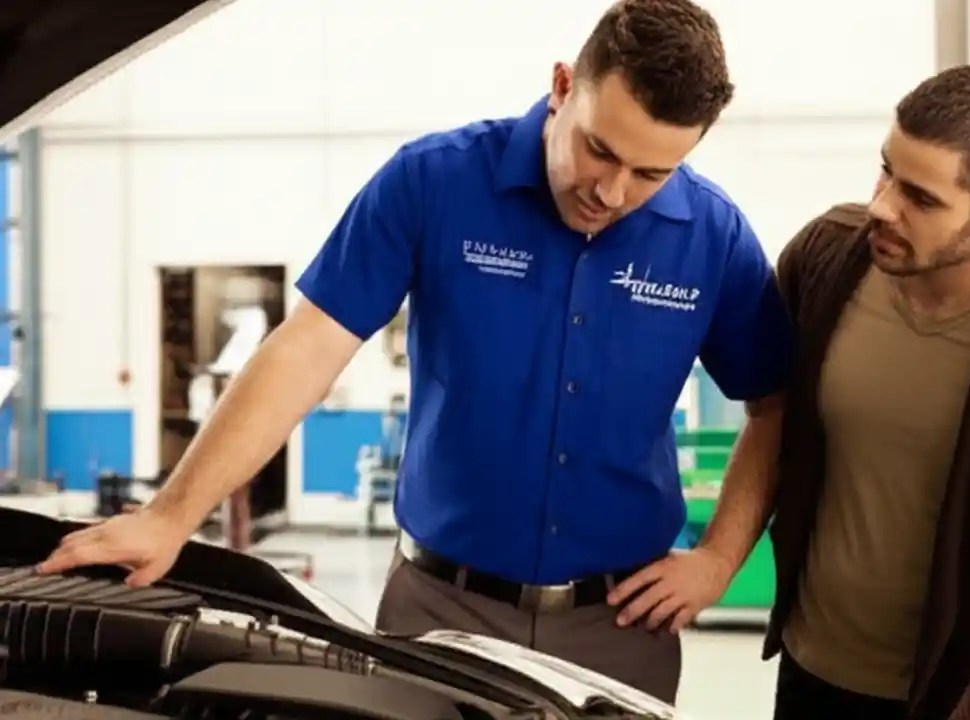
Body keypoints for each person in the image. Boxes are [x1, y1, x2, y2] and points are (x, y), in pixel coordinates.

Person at [33, 0, 792, 703]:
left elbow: (773, 403)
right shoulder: (434, 184)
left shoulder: (714, 239)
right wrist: (172, 516)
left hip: (622, 629)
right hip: (435, 608)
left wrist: (720, 558)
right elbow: (306, 349)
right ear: (563, 85)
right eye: (600, 150)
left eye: (652, 173)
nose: (614, 191)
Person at [614, 64, 970, 719]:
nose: (883, 206)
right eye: (887, 171)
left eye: (922, 199)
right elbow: (775, 418)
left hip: (966, 701)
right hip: (810, 677)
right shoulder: (827, 257)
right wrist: (716, 559)